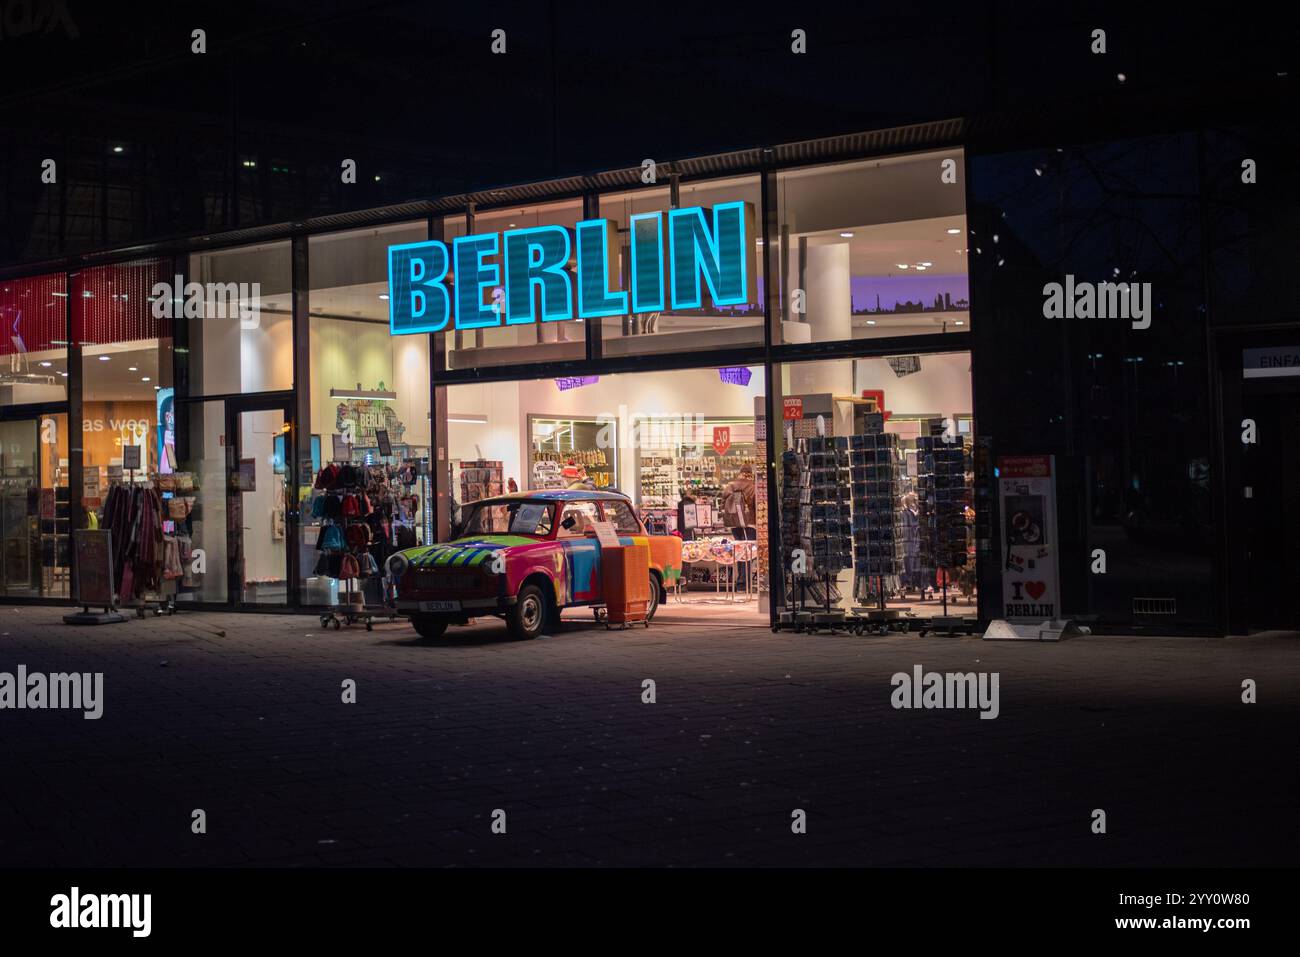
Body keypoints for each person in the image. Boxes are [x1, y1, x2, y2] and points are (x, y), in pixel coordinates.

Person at [722, 463, 757, 589]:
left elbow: (723, 502)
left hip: (734, 523)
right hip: (750, 523)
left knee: (739, 551)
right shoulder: (753, 486)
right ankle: (744, 583)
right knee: (748, 553)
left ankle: (739, 581)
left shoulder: (731, 485)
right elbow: (756, 505)